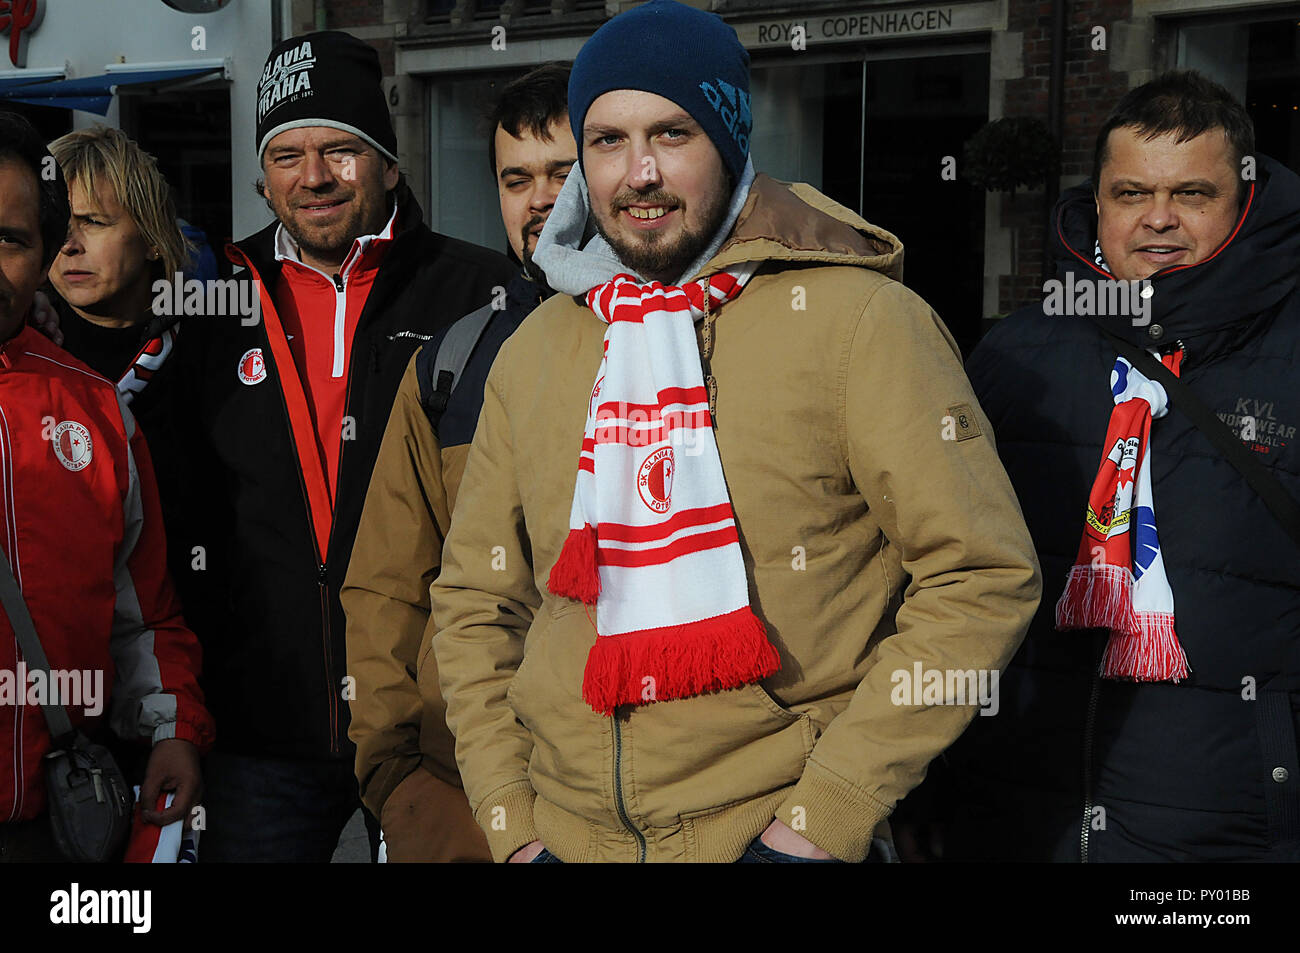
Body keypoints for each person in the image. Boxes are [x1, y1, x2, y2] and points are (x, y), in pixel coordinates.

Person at [427, 0, 1041, 864]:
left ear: (730, 139)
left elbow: (982, 575)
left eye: (672, 134)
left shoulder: (862, 322)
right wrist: (510, 817)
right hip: (562, 840)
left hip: (770, 834)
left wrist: (826, 815)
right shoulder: (536, 348)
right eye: (607, 141)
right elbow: (474, 602)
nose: (638, 173)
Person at [167, 31, 515, 862]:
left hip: (438, 730)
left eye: (339, 149)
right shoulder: (207, 300)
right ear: (261, 177)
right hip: (261, 734)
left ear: (390, 164)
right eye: (286, 154)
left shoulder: (483, 292)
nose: (313, 176)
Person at [939, 71, 1300, 861]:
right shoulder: (1015, 354)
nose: (1158, 219)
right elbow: (941, 575)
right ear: (1096, 204)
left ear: (1242, 200)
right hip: (1017, 818)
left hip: (1225, 833)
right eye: (1132, 192)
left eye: (1192, 194)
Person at [342, 63, 574, 862]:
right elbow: (384, 586)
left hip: (642, 800)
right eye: (517, 179)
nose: (539, 198)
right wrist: (394, 778)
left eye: (562, 172)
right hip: (461, 798)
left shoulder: (686, 348)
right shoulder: (452, 365)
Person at [0, 111, 213, 861]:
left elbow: (142, 608)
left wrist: (174, 726)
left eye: (14, 238)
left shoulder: (103, 403)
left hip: (58, 806)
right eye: (70, 225)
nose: (75, 246)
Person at [46, 127, 195, 594]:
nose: (68, 244)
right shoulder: (18, 353)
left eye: (92, 221)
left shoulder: (218, 354)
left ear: (152, 238)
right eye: (54, 223)